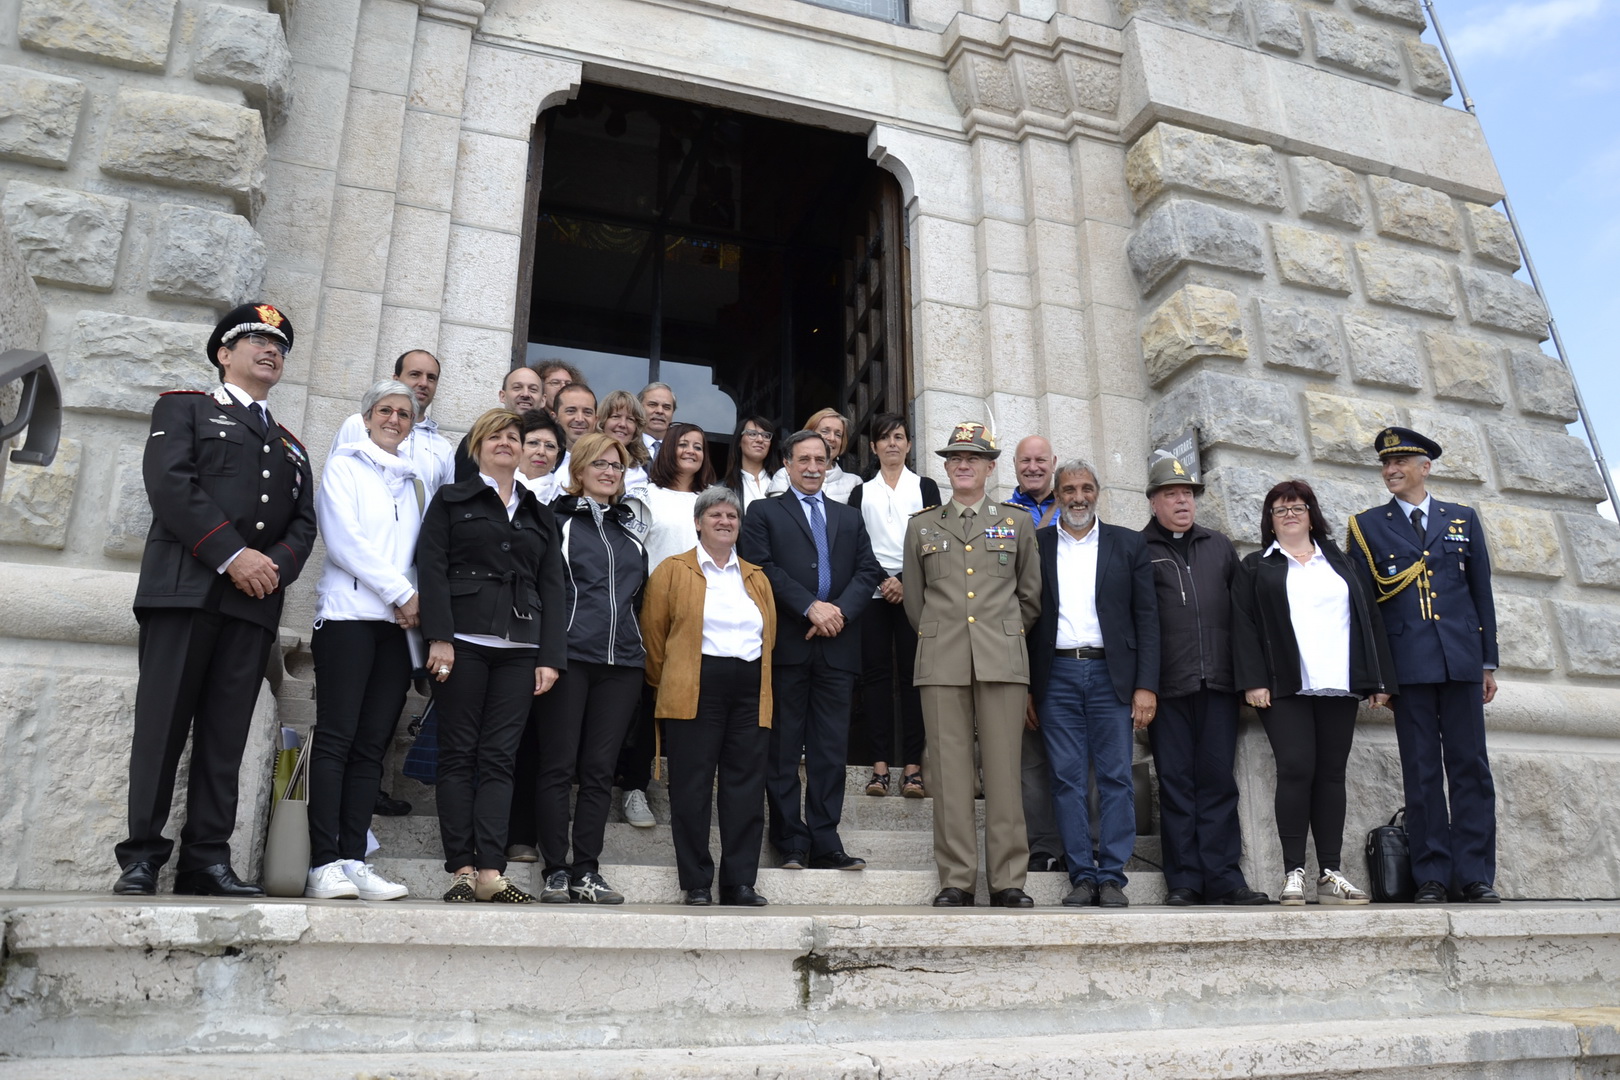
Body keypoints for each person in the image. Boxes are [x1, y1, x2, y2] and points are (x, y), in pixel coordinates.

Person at [114, 303, 317, 898]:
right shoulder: (184, 408)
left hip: (252, 606)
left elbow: (303, 525)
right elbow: (171, 485)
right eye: (256, 340)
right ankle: (142, 857)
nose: (271, 350)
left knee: (225, 739)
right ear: (224, 354)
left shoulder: (292, 446)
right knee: (161, 728)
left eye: (279, 345)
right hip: (185, 593)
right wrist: (234, 556)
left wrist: (271, 568)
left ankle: (206, 860)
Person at [417, 407, 566, 904]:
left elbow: (552, 585)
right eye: (495, 436)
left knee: (501, 758)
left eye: (514, 437)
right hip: (462, 643)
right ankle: (461, 867)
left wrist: (550, 656)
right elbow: (432, 568)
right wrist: (439, 637)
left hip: (521, 649)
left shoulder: (539, 512)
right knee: (459, 754)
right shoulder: (450, 499)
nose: (506, 443)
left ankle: (490, 872)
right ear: (478, 446)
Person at [1347, 427, 1499, 904]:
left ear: (1424, 468)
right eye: (1385, 464)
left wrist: (1487, 662)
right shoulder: (1367, 526)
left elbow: (1480, 593)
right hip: (1408, 668)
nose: (1390, 470)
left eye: (1400, 463)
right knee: (1421, 771)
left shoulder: (1462, 518)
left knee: (1471, 768)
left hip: (1461, 663)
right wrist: (1377, 677)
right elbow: (1366, 611)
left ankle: (1475, 876)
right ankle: (1431, 874)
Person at [1233, 479, 1395, 906]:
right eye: (1280, 509)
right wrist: (1253, 680)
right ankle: (1293, 872)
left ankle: (1330, 872)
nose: (1289, 515)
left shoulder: (1342, 563)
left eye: (1297, 507)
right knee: (1296, 768)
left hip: (1338, 682)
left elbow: (1369, 620)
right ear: (1270, 520)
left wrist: (1379, 681)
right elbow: (1243, 625)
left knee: (1331, 774)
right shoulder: (1256, 566)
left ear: (1311, 515)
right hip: (1284, 685)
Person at [903, 422, 1041, 907]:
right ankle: (957, 879)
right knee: (949, 773)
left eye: (973, 458)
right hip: (942, 659)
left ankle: (1008, 881)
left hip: (1001, 659)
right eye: (955, 458)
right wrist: (948, 636)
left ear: (990, 467)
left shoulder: (1017, 522)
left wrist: (998, 635)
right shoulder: (922, 526)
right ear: (945, 468)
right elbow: (915, 602)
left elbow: (1029, 597)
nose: (963, 465)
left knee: (1004, 772)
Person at [740, 429, 883, 872]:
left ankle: (825, 840)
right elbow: (761, 567)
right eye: (803, 459)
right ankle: (789, 841)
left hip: (838, 645)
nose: (812, 468)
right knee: (783, 749)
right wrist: (809, 606)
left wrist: (838, 612)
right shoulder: (764, 511)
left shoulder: (849, 517)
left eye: (820, 460)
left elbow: (869, 570)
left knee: (830, 750)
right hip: (788, 644)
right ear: (786, 464)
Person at [303, 379, 422, 903]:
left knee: (372, 745)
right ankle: (322, 862)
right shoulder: (343, 466)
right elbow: (344, 542)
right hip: (348, 618)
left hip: (397, 628)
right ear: (368, 416)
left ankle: (354, 859)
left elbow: (419, 554)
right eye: (385, 410)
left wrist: (412, 602)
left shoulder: (415, 482)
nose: (394, 419)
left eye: (404, 414)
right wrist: (401, 592)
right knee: (337, 739)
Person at [1029, 460, 1159, 909]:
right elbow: (1024, 617)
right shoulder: (1038, 544)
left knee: (1116, 777)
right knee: (1066, 779)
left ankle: (1113, 876)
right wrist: (1027, 687)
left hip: (1111, 675)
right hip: (1057, 675)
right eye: (1069, 490)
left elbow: (1147, 618)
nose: (1078, 497)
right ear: (1057, 496)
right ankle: (1082, 875)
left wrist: (1146, 685)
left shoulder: (1128, 543)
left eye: (1086, 488)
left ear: (1097, 493)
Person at [525, 434, 649, 905]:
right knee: (558, 766)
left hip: (623, 664)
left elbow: (639, 599)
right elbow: (542, 592)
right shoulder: (555, 521)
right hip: (570, 659)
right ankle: (555, 869)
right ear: (578, 470)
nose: (609, 472)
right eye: (600, 463)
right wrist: (548, 655)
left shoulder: (630, 532)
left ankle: (587, 871)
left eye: (616, 466)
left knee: (599, 771)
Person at [1139, 455, 1266, 906]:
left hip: (1218, 685)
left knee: (1217, 782)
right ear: (1154, 502)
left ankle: (1225, 878)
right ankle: (1185, 881)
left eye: (1187, 494)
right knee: (1176, 784)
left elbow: (1243, 617)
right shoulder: (1139, 549)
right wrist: (1142, 686)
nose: (1182, 502)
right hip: (1168, 688)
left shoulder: (1220, 546)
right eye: (1172, 494)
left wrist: (1249, 678)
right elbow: (1137, 622)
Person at [642, 486, 777, 906]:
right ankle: (697, 882)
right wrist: (671, 681)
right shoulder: (672, 570)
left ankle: (740, 883)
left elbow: (770, 636)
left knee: (746, 788)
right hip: (694, 684)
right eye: (716, 514)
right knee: (692, 786)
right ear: (698, 522)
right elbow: (653, 636)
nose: (724, 521)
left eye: (732, 516)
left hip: (750, 688)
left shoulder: (755, 576)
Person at [617, 421, 715, 827]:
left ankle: (688, 794)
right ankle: (634, 788)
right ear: (668, 448)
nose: (691, 451)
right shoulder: (644, 496)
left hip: (704, 612)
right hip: (651, 609)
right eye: (683, 444)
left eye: (699, 446)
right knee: (646, 702)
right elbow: (627, 552)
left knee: (694, 706)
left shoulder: (712, 500)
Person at [847, 412, 939, 799]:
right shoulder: (861, 492)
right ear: (873, 446)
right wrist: (882, 580)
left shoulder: (925, 487)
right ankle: (880, 767)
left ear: (909, 444)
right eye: (884, 438)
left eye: (899, 437)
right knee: (875, 678)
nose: (892, 444)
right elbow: (855, 544)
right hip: (872, 593)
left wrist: (904, 580)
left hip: (914, 593)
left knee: (914, 678)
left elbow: (934, 541)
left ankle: (913, 769)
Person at [327, 349, 455, 493]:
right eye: (415, 374)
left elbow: (444, 502)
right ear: (396, 379)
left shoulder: (443, 448)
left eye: (431, 378)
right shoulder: (357, 424)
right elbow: (332, 485)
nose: (424, 383)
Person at [453, 366, 546, 481]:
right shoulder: (476, 439)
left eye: (533, 389)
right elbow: (462, 486)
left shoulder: (553, 444)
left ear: (543, 400)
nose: (525, 394)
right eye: (517, 388)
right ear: (503, 396)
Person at [766, 408, 861, 502]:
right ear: (808, 434)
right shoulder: (785, 475)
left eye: (838, 435)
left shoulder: (854, 482)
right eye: (825, 431)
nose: (832, 438)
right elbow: (777, 510)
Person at [597, 388, 653, 495]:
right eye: (616, 416)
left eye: (630, 419)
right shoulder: (587, 460)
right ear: (602, 422)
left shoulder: (646, 465)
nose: (623, 424)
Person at [721, 415, 780, 511]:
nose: (760, 440)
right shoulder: (722, 489)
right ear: (739, 441)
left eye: (766, 436)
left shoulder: (783, 483)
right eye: (752, 434)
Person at [1007, 436, 1061, 528]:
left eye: (1040, 460)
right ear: (1015, 464)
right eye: (1025, 460)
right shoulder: (1000, 516)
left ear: (1054, 463)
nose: (1033, 468)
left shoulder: (1070, 512)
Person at [516, 409, 566, 504]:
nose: (541, 452)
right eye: (533, 443)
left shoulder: (564, 500)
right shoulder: (496, 488)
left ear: (557, 456)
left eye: (550, 446)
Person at [554, 382, 597, 451]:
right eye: (571, 411)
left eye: (587, 412)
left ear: (596, 420)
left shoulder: (608, 456)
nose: (580, 419)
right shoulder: (541, 454)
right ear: (555, 418)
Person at [639, 381, 677, 457]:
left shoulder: (680, 451)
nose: (660, 411)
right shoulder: (626, 447)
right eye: (652, 405)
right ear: (639, 408)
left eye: (666, 407)